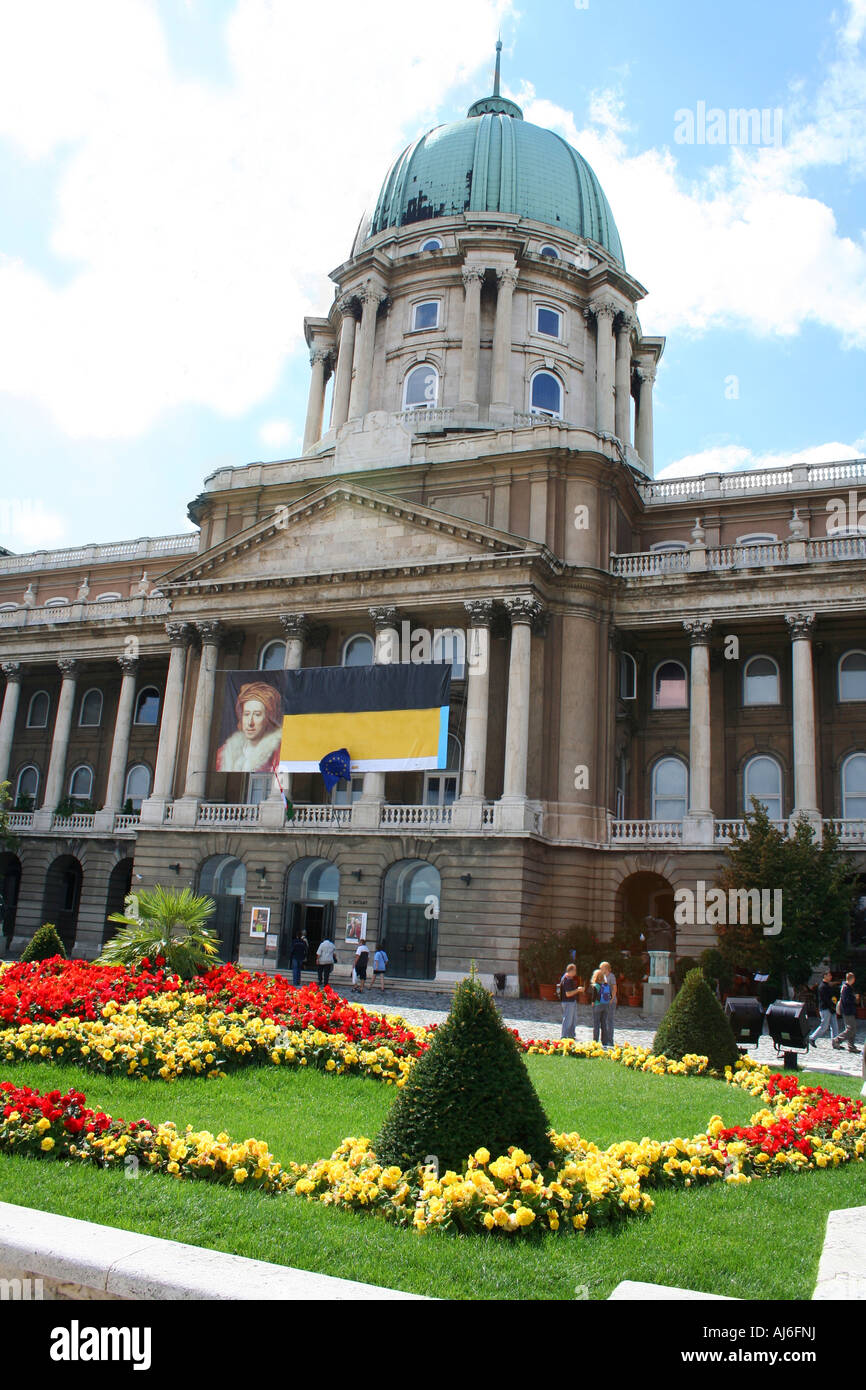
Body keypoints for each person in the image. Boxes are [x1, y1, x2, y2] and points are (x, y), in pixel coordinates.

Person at [216, 681, 283, 774]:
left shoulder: (278, 754)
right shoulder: (223, 755)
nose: (250, 722)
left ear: (269, 718)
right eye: (246, 714)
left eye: (257, 714)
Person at [833, 972, 860, 1053]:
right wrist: (854, 998)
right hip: (847, 1011)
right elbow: (846, 1000)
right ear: (852, 979)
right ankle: (837, 1040)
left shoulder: (847, 987)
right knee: (850, 1029)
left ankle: (851, 1046)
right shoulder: (846, 988)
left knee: (852, 1029)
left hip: (849, 1011)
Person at [809, 970, 838, 1046]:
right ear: (824, 976)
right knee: (824, 1026)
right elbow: (825, 999)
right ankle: (812, 1038)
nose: (831, 976)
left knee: (835, 1026)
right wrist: (832, 1006)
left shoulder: (828, 985)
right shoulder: (822, 986)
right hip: (825, 1009)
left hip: (831, 1009)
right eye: (829, 975)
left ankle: (835, 1042)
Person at [559, 962, 580, 1039]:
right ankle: (564, 1036)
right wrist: (578, 990)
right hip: (568, 1002)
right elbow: (568, 994)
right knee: (568, 1020)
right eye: (575, 970)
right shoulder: (567, 980)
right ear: (571, 970)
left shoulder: (567, 978)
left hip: (571, 1002)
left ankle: (571, 1035)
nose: (575, 972)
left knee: (573, 1019)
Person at [599, 959, 617, 1046]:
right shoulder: (602, 976)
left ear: (606, 968)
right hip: (603, 1001)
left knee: (609, 1020)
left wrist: (611, 999)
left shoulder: (611, 976)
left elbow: (614, 989)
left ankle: (610, 1040)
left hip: (610, 1002)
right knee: (603, 1020)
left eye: (601, 968)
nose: (600, 969)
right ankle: (604, 1040)